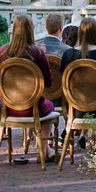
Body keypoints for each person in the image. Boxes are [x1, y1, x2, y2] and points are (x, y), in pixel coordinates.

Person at [0, 15, 56, 163]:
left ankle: (46, 150)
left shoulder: (2, 53)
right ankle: (44, 150)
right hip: (33, 108)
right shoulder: (37, 54)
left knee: (46, 106)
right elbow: (49, 82)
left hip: (7, 108)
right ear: (30, 30)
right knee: (49, 106)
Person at [61, 17, 96, 129]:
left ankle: (84, 135)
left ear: (80, 33)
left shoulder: (68, 54)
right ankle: (92, 138)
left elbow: (63, 84)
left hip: (74, 107)